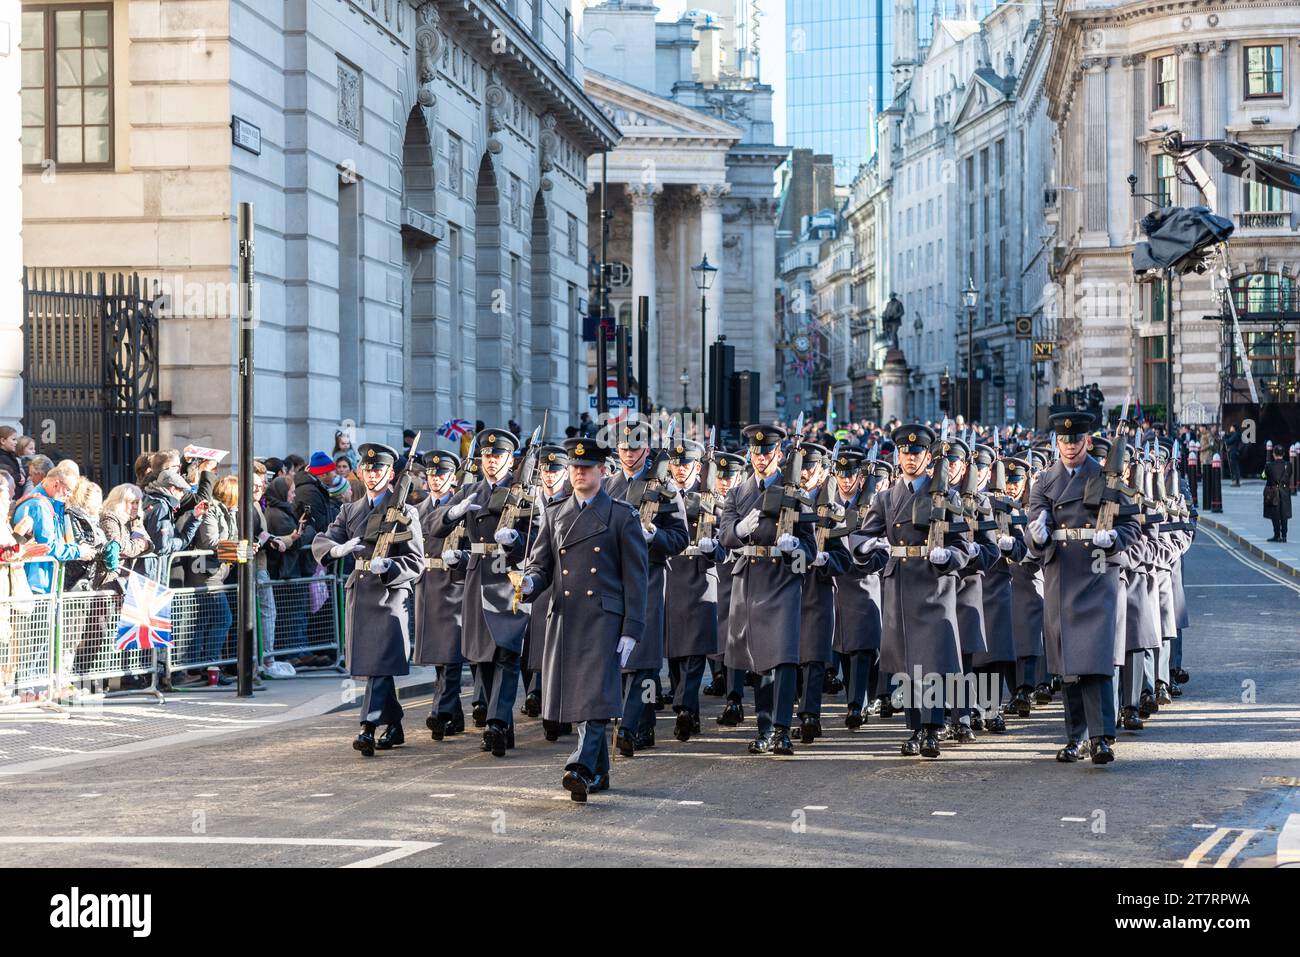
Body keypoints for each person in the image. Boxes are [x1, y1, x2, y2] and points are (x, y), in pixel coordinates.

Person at [519, 436, 649, 802]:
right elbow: (542, 565)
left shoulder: (622, 515)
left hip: (604, 620)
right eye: (574, 467)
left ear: (602, 471)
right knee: (579, 696)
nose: (578, 473)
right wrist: (528, 582)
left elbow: (635, 579)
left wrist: (632, 629)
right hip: (566, 616)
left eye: (586, 467)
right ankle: (599, 772)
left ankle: (579, 766)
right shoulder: (554, 512)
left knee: (594, 694)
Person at [1025, 411, 1140, 764]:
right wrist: (1036, 534)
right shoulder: (1044, 481)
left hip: (1096, 575)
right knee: (1069, 668)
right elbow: (1034, 524)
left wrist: (1114, 538)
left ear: (1087, 441)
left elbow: (1133, 527)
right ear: (1056, 443)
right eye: (1064, 440)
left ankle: (1103, 738)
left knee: (1096, 662)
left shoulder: (1106, 477)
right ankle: (1075, 738)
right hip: (1062, 576)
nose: (1070, 446)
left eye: (1076, 440)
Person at [854, 425, 971, 758]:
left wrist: (948, 555)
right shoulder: (887, 497)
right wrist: (866, 548)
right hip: (901, 583)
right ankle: (915, 728)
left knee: (931, 660)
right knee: (907, 661)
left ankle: (932, 729)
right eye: (904, 452)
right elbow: (864, 536)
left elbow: (962, 544)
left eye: (916, 452)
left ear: (928, 457)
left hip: (932, 583)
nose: (909, 458)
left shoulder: (946, 495)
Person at [313, 442, 425, 756]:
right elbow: (326, 539)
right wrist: (336, 550)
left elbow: (416, 562)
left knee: (378, 665)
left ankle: (367, 727)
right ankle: (395, 722)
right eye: (369, 468)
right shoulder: (349, 509)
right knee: (377, 666)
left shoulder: (405, 511)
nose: (373, 474)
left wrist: (390, 566)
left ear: (391, 474)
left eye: (380, 469)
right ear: (361, 472)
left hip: (389, 596)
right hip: (360, 593)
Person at [428, 427, 533, 758]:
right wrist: (452, 512)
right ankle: (498, 723)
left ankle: (498, 723)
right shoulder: (470, 491)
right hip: (476, 576)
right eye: (487, 456)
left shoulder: (524, 493)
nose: (491, 462)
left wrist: (516, 543)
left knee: (506, 653)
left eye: (498, 456)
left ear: (510, 459)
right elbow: (434, 526)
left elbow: (541, 537)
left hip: (508, 578)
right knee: (482, 656)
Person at [717, 424, 816, 756]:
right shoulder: (737, 493)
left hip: (782, 578)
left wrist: (794, 549)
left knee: (784, 657)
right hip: (750, 579)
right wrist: (740, 529)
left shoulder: (795, 492)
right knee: (758, 658)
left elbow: (811, 552)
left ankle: (783, 729)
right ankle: (764, 727)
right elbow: (724, 537)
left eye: (768, 453)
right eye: (756, 453)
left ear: (778, 454)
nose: (761, 459)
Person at [603, 421, 689, 756]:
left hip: (649, 578)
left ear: (647, 450)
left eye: (634, 449)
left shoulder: (665, 486)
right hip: (613, 580)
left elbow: (680, 537)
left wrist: (656, 537)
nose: (628, 454)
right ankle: (637, 724)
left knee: (645, 656)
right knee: (619, 655)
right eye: (623, 448)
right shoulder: (608, 485)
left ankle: (632, 725)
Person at [662, 439, 722, 742]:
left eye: (687, 464)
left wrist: (714, 547)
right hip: (671, 576)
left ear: (698, 467)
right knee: (674, 650)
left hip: (700, 577)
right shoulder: (662, 497)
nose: (681, 469)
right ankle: (689, 710)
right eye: (676, 463)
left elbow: (726, 543)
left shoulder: (711, 498)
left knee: (696, 650)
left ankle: (685, 708)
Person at [414, 451, 470, 741]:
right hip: (427, 583)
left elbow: (476, 545)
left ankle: (440, 711)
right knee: (439, 655)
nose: (435, 479)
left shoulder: (461, 506)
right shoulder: (418, 507)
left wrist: (460, 557)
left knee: (450, 653)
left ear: (452, 478)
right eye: (431, 475)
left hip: (453, 582)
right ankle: (455, 715)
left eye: (441, 475)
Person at [521, 445, 571, 735]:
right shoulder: (527, 500)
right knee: (531, 643)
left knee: (556, 648)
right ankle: (535, 692)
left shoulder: (567, 501)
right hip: (532, 578)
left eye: (555, 470)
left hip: (560, 581)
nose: (549, 476)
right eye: (545, 470)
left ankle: (555, 709)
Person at [12, 460, 94, 594]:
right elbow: (48, 547)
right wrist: (79, 551)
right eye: (68, 490)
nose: (69, 495)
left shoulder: (43, 503)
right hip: (36, 583)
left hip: (40, 581)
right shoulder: (39, 506)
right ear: (56, 484)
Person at [1264, 443, 1291, 543]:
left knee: (1274, 513)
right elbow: (1289, 476)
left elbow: (1263, 476)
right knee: (1284, 514)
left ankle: (1277, 535)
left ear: (1274, 454)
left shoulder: (1269, 466)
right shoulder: (1288, 465)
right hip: (1284, 492)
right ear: (1283, 454)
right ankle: (1284, 536)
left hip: (1273, 491)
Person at [0, 427, 26, 492]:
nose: (16, 442)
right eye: (13, 439)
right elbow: (5, 477)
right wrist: (19, 477)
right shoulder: (2, 458)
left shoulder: (11, 455)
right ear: (3, 441)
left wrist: (21, 476)